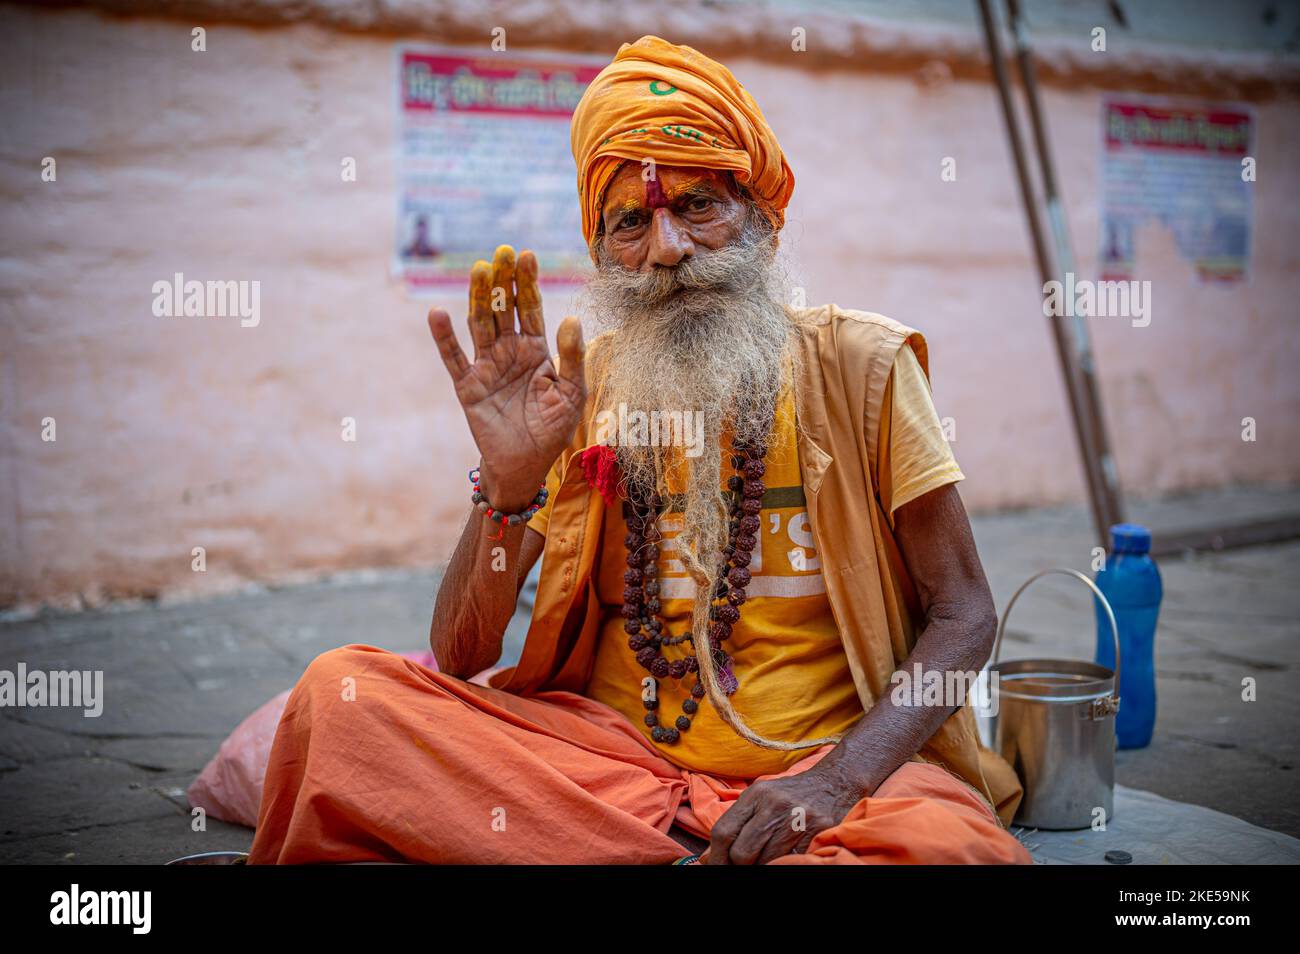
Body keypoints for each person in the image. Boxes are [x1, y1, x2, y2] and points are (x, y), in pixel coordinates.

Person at [249, 35, 1028, 865]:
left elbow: (964, 612)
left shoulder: (861, 365)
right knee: (343, 701)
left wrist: (833, 785)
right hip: (607, 765)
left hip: (817, 772)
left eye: (698, 206)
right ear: (602, 255)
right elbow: (462, 654)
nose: (667, 250)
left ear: (761, 219)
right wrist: (507, 490)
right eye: (632, 223)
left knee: (942, 849)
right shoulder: (586, 387)